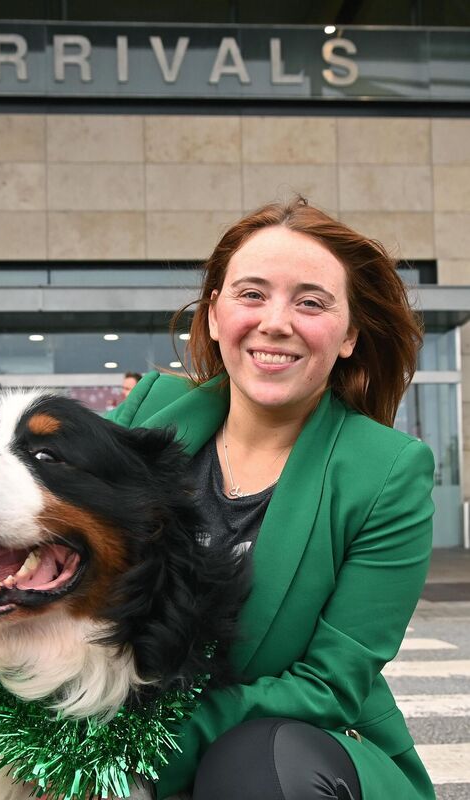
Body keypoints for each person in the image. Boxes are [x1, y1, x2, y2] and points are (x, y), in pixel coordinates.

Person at [108, 197, 435, 800]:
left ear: (349, 336)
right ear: (214, 315)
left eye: (311, 302)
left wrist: (123, 756)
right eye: (252, 294)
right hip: (112, 715)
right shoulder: (149, 410)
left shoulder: (388, 470)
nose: (276, 322)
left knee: (249, 762)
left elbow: (329, 685)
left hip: (297, 747)